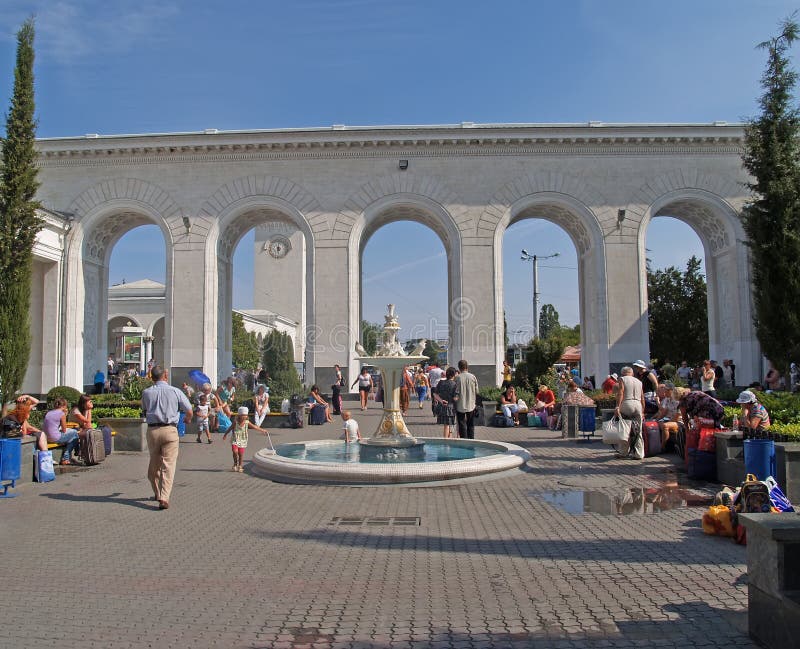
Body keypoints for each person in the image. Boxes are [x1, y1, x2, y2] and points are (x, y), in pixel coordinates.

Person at [141, 366, 193, 510]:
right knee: (168, 465)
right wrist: (187, 420)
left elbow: (144, 410)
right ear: (165, 375)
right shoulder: (176, 391)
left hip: (153, 430)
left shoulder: (146, 393)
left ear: (152, 377)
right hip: (170, 430)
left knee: (154, 464)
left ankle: (158, 493)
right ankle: (164, 497)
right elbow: (189, 410)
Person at [222, 406, 270, 472]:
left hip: (243, 440)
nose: (244, 417)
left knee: (240, 454)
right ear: (239, 415)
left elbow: (255, 427)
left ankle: (240, 465)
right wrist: (225, 435)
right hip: (235, 439)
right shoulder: (235, 422)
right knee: (235, 451)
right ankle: (235, 464)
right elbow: (230, 428)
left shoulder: (247, 422)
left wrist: (263, 430)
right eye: (243, 415)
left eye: (245, 415)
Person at [614, 366, 644, 460]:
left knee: (624, 429)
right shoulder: (639, 381)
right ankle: (639, 453)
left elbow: (621, 392)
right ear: (632, 373)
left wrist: (617, 406)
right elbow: (642, 397)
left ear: (622, 373)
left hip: (627, 403)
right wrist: (643, 410)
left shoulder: (622, 379)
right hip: (638, 404)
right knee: (638, 430)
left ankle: (623, 452)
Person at [42, 397, 80, 465]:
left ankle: (72, 455)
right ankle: (67, 458)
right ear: (65, 406)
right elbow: (64, 429)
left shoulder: (49, 413)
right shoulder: (61, 414)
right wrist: (65, 414)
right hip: (55, 438)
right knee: (75, 433)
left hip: (46, 437)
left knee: (72, 435)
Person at [454, 359, 479, 439]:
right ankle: (471, 439)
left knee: (461, 423)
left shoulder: (457, 378)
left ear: (459, 367)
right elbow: (477, 391)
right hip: (471, 404)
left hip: (460, 404)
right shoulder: (473, 377)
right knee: (471, 423)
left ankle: (464, 440)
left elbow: (455, 391)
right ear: (467, 367)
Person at [653, 384, 681, 448]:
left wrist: (667, 422)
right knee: (657, 423)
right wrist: (655, 420)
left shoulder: (677, 401)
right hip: (670, 419)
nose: (664, 392)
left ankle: (663, 447)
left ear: (671, 391)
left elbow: (676, 417)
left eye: (666, 390)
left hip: (678, 421)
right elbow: (664, 413)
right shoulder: (668, 399)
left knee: (665, 426)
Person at [433, 367, 458, 438]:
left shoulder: (441, 382)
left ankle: (446, 441)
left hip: (442, 407)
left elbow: (435, 394)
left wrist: (441, 401)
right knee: (449, 425)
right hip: (451, 407)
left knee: (446, 426)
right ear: (454, 375)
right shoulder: (454, 384)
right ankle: (447, 441)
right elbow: (455, 398)